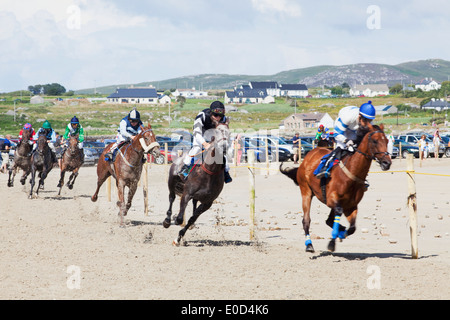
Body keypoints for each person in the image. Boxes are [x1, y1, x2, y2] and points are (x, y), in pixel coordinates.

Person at [315, 101, 376, 179]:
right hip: (342, 129)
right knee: (341, 147)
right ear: (359, 116)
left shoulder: (367, 121)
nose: (367, 124)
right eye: (366, 121)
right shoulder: (347, 117)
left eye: (369, 121)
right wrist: (346, 140)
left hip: (354, 129)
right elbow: (336, 134)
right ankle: (325, 167)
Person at [178, 101, 232, 183]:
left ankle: (226, 172)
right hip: (200, 134)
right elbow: (196, 132)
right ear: (210, 113)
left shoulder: (224, 119)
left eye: (220, 116)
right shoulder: (202, 116)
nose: (218, 118)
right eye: (215, 115)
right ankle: (185, 167)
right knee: (196, 148)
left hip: (213, 135)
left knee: (222, 152)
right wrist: (205, 144)